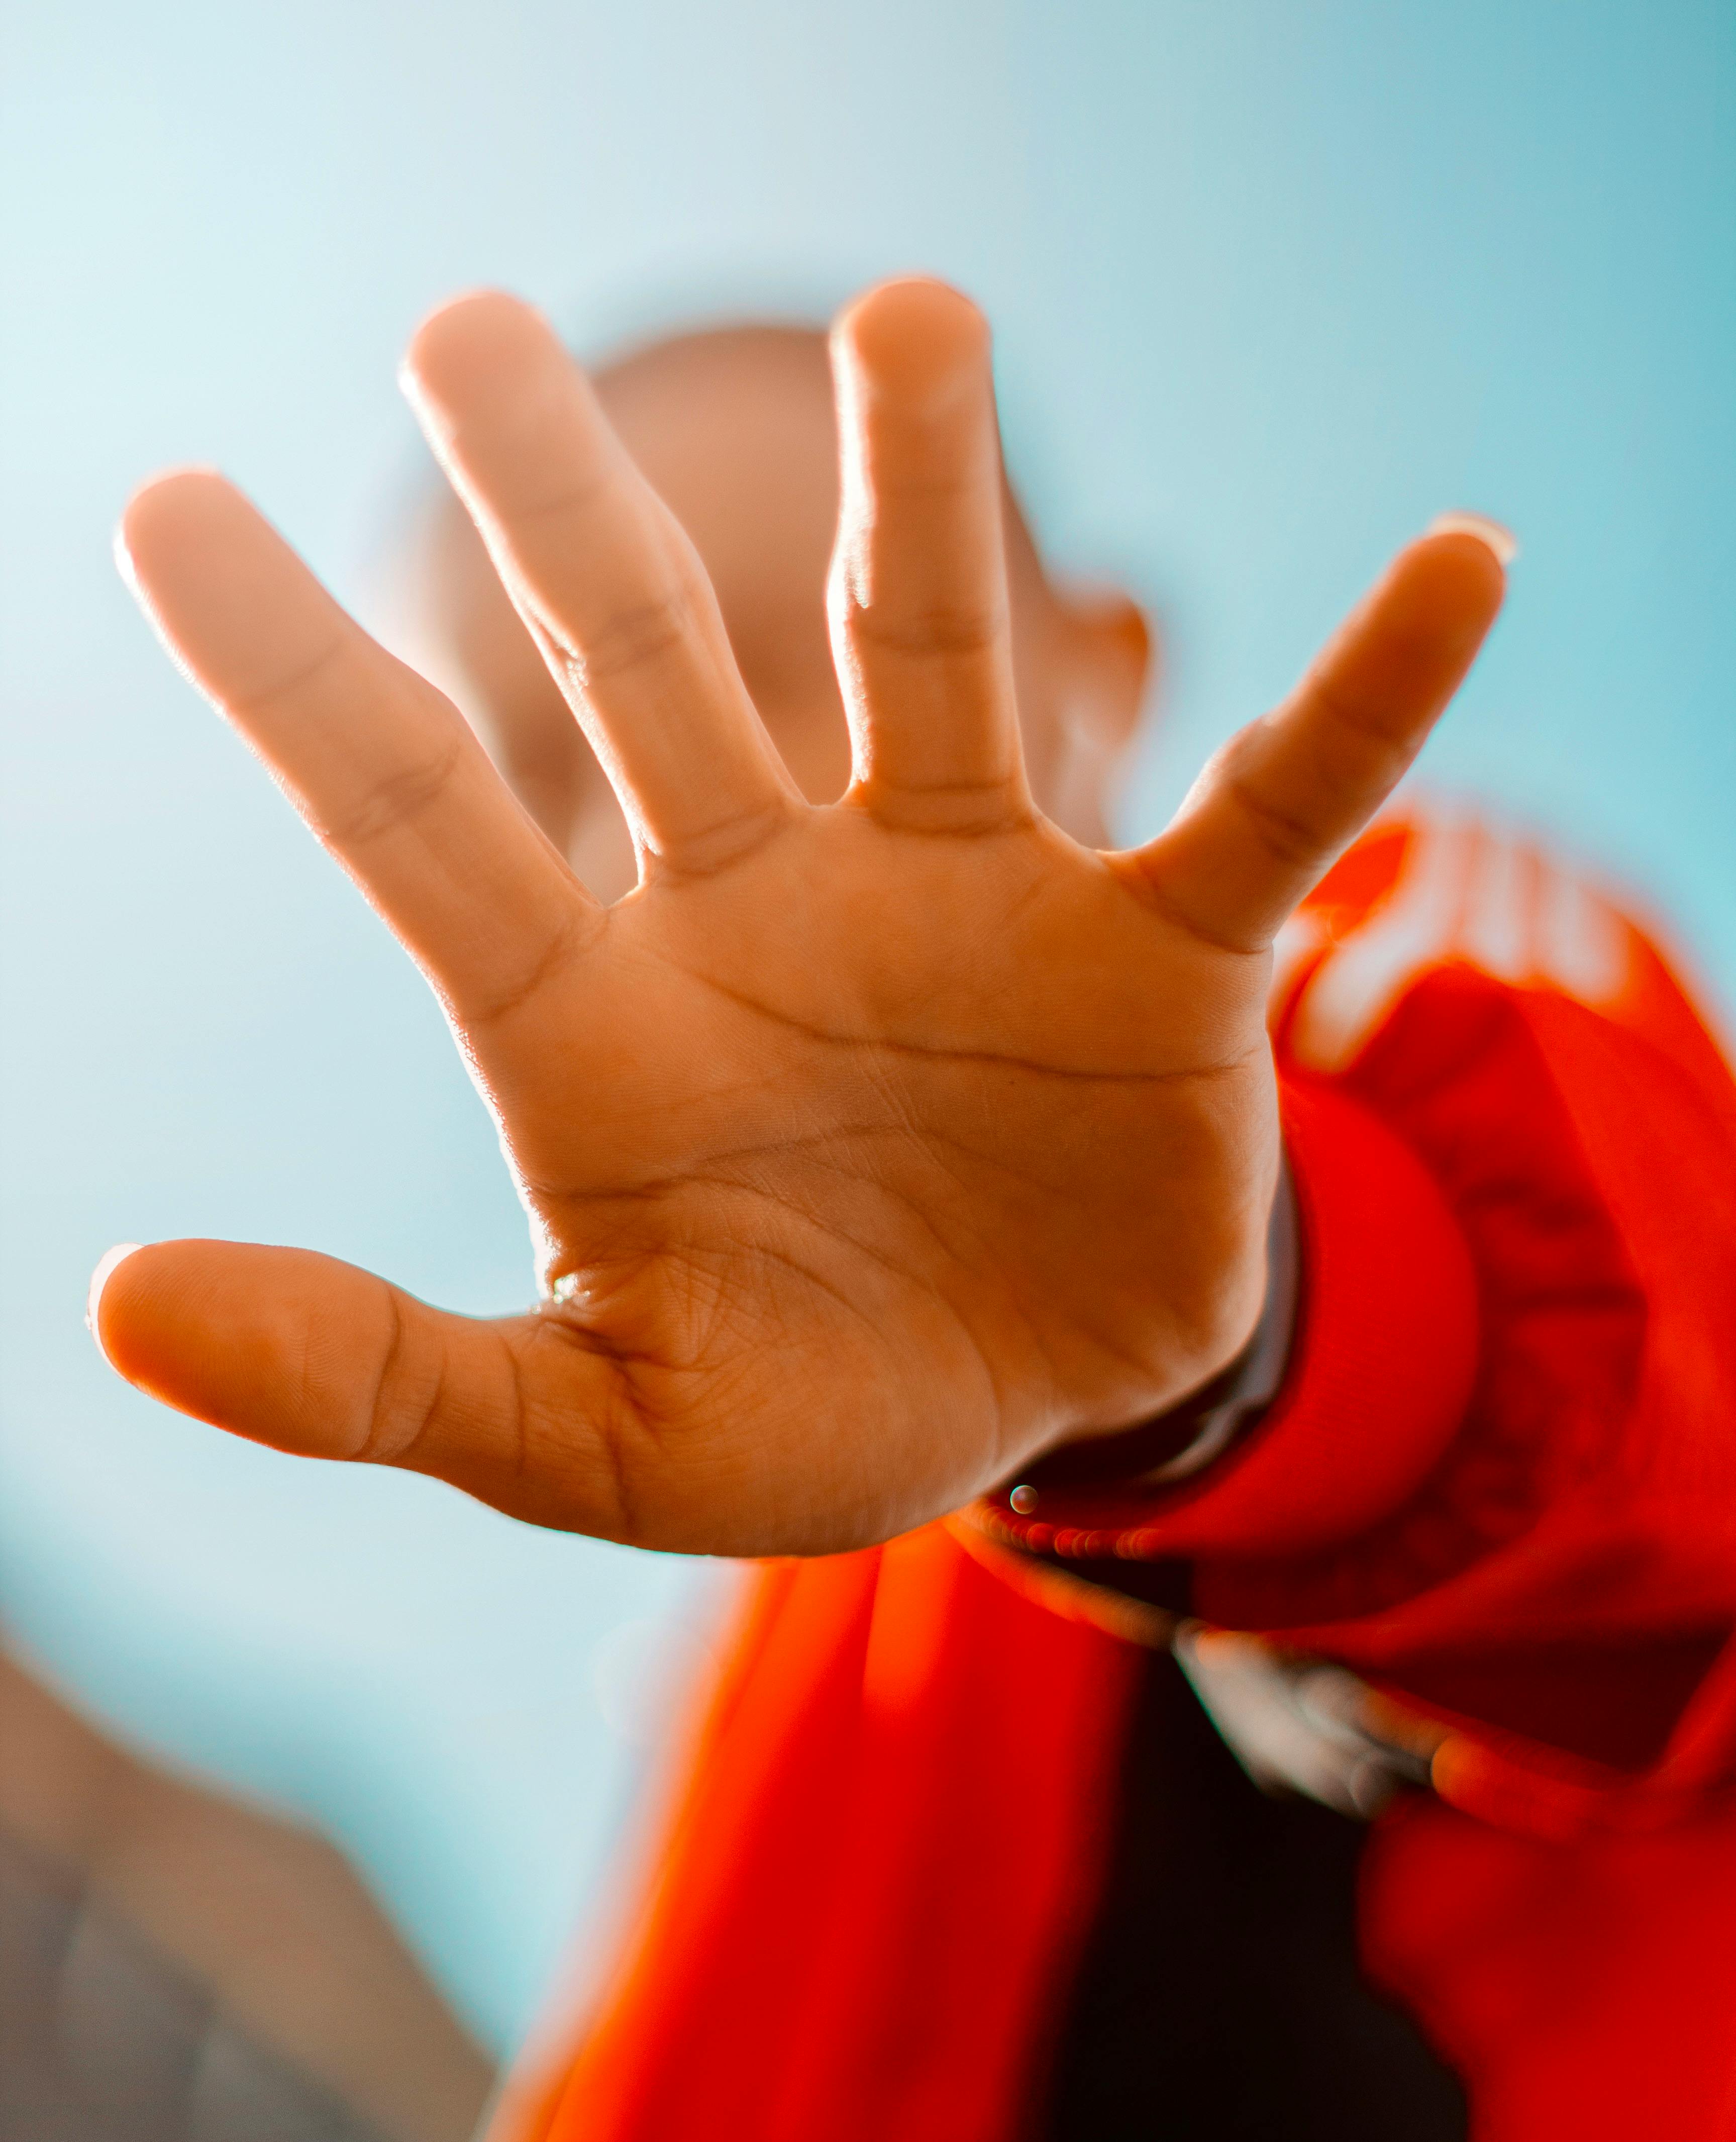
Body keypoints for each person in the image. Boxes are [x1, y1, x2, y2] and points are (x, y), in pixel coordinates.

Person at [91, 279, 1736, 2137]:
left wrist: (1232, 1358)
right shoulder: (763, 1655)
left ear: (1109, 669)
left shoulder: (1402, 1013)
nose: (668, 810)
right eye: (549, 771)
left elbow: (1657, 1369)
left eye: (795, 649)